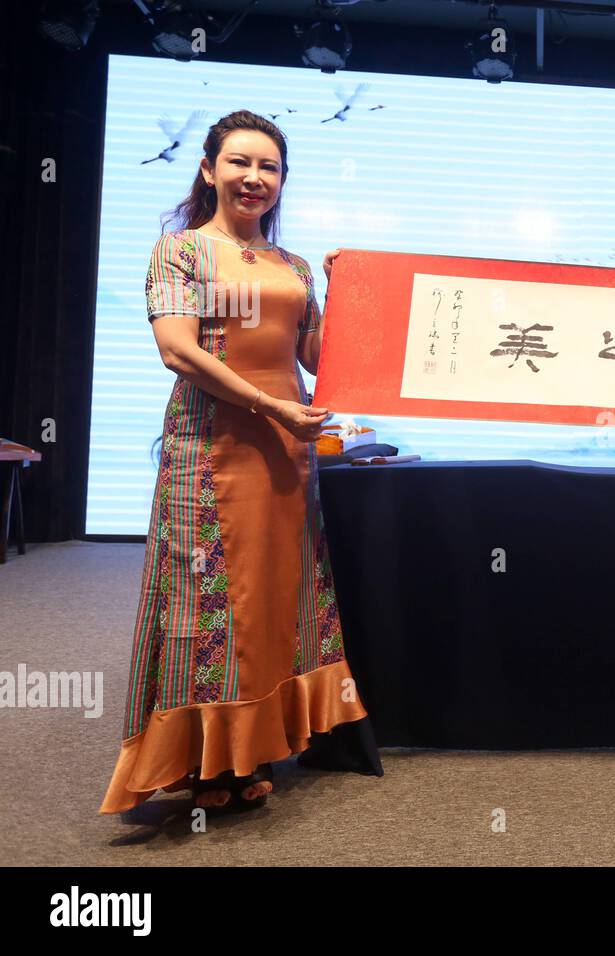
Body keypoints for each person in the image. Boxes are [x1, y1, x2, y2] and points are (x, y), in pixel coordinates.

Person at [100, 110, 370, 815]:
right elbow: (178, 352)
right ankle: (204, 763)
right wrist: (274, 408)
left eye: (270, 168)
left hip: (286, 456)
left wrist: (347, 293)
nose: (255, 179)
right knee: (208, 603)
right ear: (209, 168)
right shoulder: (180, 251)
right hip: (209, 450)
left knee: (273, 602)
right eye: (240, 163)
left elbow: (316, 361)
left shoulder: (295, 266)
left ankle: (250, 749)